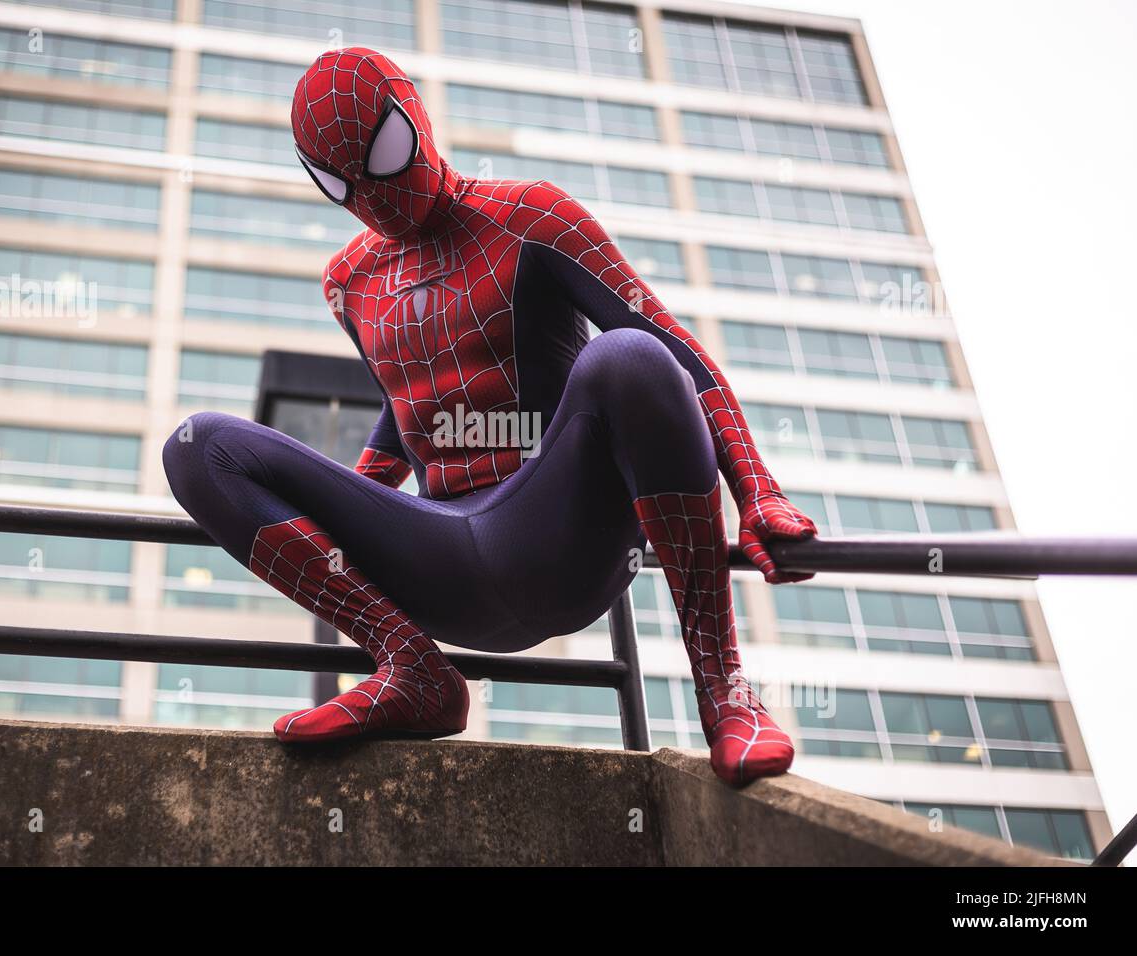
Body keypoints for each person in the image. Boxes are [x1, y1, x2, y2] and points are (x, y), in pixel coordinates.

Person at [163, 47, 819, 785]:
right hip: (439, 564)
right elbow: (405, 399)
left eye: (385, 154)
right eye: (337, 182)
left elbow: (672, 348)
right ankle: (412, 670)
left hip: (559, 536)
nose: (372, 196)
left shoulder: (530, 214)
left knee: (628, 355)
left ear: (416, 116)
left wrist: (757, 488)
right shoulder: (349, 280)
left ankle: (725, 692)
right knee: (197, 446)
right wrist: (345, 499)